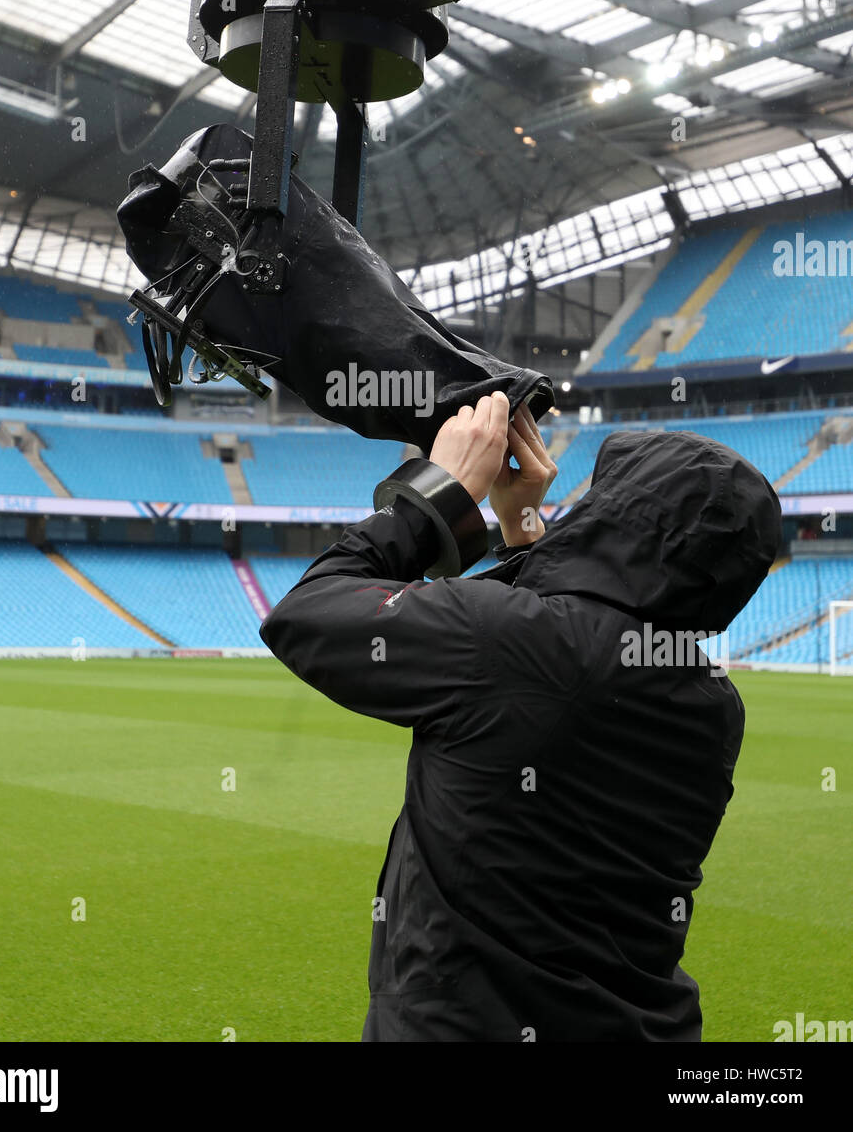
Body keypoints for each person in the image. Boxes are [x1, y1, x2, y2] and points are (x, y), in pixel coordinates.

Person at [258, 394, 783, 1042]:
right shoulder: (713, 706)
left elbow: (305, 613)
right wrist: (527, 527)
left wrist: (437, 497)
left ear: (624, 518)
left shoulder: (513, 644)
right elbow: (569, 644)